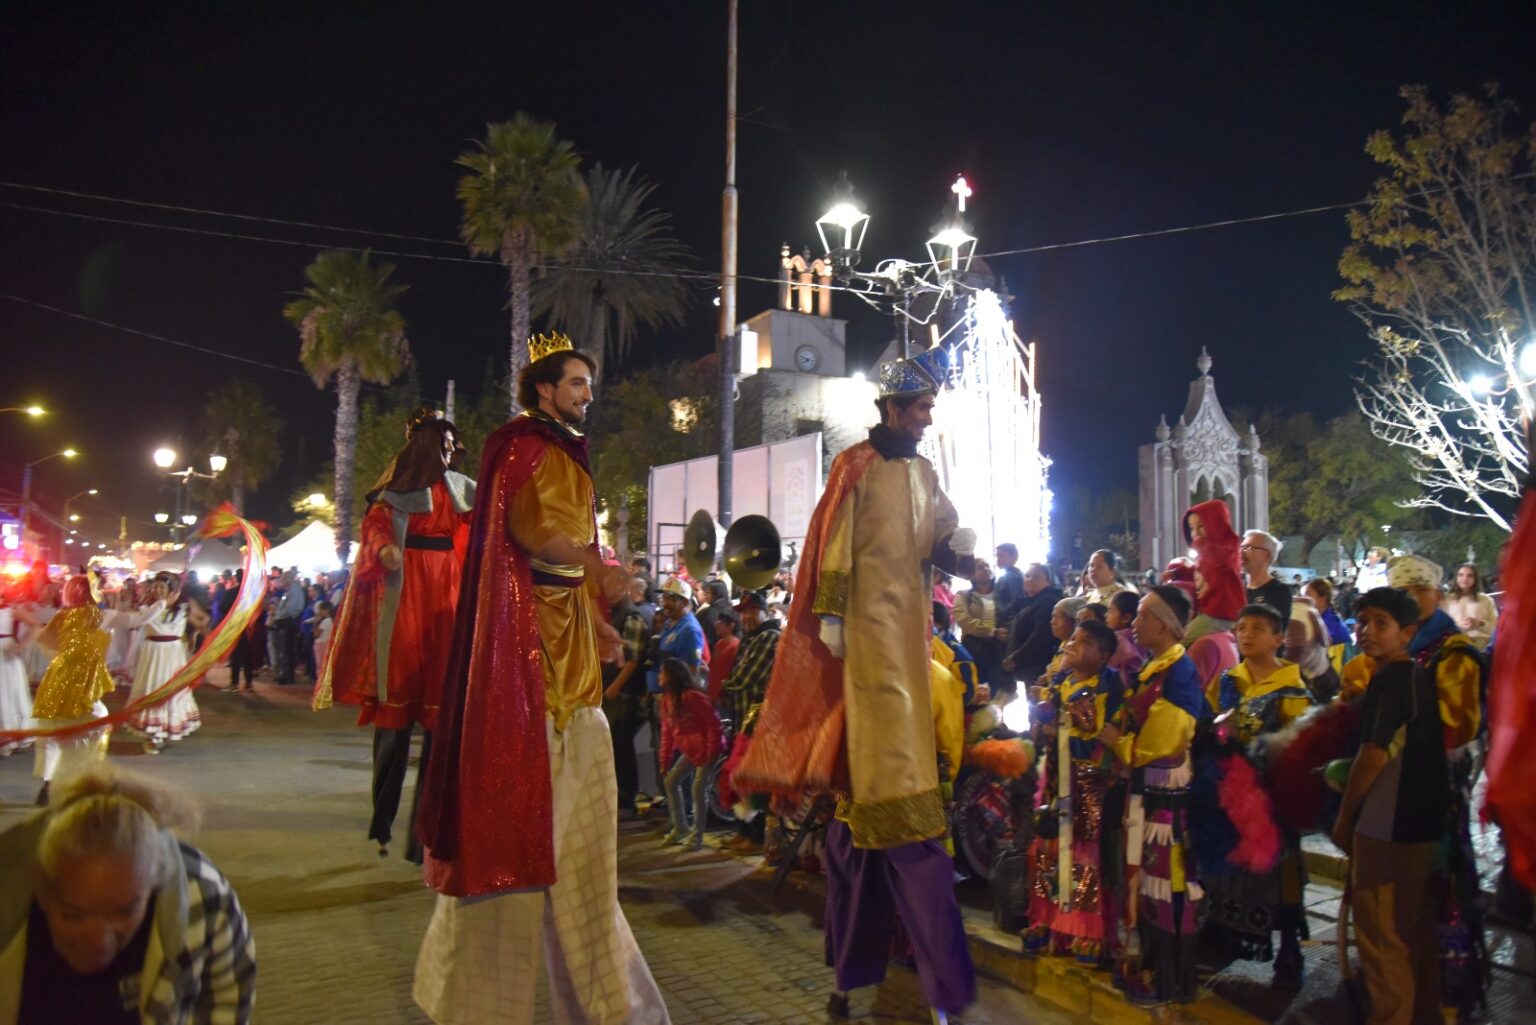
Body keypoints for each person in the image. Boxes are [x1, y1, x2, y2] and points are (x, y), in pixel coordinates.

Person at [412, 334, 669, 1025]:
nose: (588, 393)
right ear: (544, 389)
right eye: (577, 382)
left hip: (566, 675)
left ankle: (592, 1005)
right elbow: (535, 535)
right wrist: (597, 566)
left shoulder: (552, 451)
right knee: (523, 856)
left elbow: (549, 568)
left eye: (589, 382)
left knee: (577, 867)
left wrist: (598, 621)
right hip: (540, 693)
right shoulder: (531, 448)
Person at [735, 351, 978, 1024]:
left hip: (909, 640)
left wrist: (964, 555)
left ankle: (887, 984)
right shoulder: (855, 466)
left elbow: (943, 528)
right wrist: (835, 617)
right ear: (894, 409)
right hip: (866, 646)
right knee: (873, 813)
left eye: (930, 409)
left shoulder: (923, 471)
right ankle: (881, 982)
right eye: (920, 409)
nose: (927, 420)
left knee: (873, 831)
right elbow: (832, 547)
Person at [316, 409, 475, 859]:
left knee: (443, 725)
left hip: (447, 597)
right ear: (423, 443)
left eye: (452, 445)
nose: (450, 452)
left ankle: (423, 834)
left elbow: (482, 528)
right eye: (443, 444)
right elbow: (376, 525)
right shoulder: (396, 490)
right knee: (396, 716)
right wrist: (384, 547)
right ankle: (382, 820)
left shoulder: (461, 489)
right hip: (405, 596)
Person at [0, 762, 256, 1023]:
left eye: (126, 910)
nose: (100, 942)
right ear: (43, 893)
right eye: (74, 914)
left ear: (154, 886)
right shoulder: (9, 895)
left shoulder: (203, 898)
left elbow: (228, 996)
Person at [1331, 587, 1448, 1025]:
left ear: (1408, 632)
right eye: (1362, 622)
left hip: (1387, 827)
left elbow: (1373, 757)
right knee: (1411, 934)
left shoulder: (1393, 678)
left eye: (1381, 623)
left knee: (1382, 941)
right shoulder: (1415, 675)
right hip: (1418, 825)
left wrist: (1345, 819)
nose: (1367, 632)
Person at [1097, 585, 1206, 1007]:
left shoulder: (1178, 672)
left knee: (1169, 883)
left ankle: (1171, 978)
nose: (1134, 623)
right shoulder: (1156, 667)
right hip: (1149, 792)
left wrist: (1120, 745)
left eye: (1142, 616)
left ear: (1164, 624)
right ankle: (1152, 969)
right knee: (1147, 882)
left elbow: (1167, 741)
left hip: (1168, 800)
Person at [1205, 604, 1312, 979]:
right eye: (1242, 627)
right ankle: (1226, 936)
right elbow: (1213, 722)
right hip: (1233, 788)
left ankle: (1288, 945)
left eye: (1258, 628)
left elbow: (1296, 742)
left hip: (1272, 790)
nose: (1247, 635)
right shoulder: (1229, 680)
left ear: (1279, 639)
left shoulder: (1292, 686)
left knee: (1279, 867)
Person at [1025, 619, 1125, 964]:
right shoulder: (1061, 684)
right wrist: (1041, 727)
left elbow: (1106, 738)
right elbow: (1045, 725)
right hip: (1055, 777)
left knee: (1083, 854)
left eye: (1083, 641)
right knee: (1048, 847)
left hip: (1088, 783)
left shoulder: (1109, 688)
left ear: (1102, 655)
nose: (1072, 644)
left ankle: (1086, 931)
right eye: (1074, 639)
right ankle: (1048, 919)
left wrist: (1061, 734)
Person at [27, 576, 113, 804]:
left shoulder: (61, 615)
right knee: (94, 723)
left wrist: (65, 655)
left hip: (58, 676)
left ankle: (49, 783)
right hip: (83, 679)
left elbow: (45, 641)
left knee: (53, 730)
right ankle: (82, 780)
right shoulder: (98, 616)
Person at [110, 574, 202, 753]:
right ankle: (153, 735)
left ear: (172, 590)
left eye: (163, 587)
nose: (158, 590)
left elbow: (202, 621)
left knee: (172, 690)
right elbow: (131, 620)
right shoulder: (146, 608)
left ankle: (166, 729)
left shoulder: (184, 608)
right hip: (153, 653)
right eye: (156, 587)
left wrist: (194, 635)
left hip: (174, 652)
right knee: (152, 689)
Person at [657, 658, 725, 850]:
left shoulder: (692, 697)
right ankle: (680, 829)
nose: (659, 676)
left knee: (698, 789)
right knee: (671, 782)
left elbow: (713, 725)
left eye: (663, 672)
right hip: (691, 750)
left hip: (707, 749)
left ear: (673, 675)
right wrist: (665, 760)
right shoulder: (667, 701)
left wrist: (712, 752)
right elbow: (667, 733)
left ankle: (697, 837)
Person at [603, 576, 655, 816]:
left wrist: (615, 686)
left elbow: (633, 658)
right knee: (614, 746)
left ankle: (627, 797)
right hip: (614, 690)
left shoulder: (631, 616)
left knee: (621, 745)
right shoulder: (613, 612)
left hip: (625, 694)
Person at [1003, 562, 1065, 694]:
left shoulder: (1046, 601)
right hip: (1030, 665)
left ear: (1048, 581)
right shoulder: (1033, 601)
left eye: (1036, 577)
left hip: (1038, 665)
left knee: (1040, 707)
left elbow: (1040, 635)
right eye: (1027, 576)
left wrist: (1016, 657)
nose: (1030, 580)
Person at [953, 559, 1005, 692]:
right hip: (975, 648)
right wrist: (991, 631)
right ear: (971, 574)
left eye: (987, 565)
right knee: (978, 689)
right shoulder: (964, 595)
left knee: (998, 690)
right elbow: (964, 620)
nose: (986, 569)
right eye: (980, 567)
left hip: (998, 648)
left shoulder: (1001, 594)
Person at [0, 586, 34, 758]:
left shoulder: (11, 610)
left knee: (7, 694)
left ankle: (9, 736)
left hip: (5, 652)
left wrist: (21, 646)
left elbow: (35, 626)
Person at [1443, 562, 1497, 649]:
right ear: (1456, 577)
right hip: (1453, 646)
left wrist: (1479, 623)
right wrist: (1457, 625)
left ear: (1475, 578)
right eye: (1461, 575)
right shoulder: (1446, 600)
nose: (1465, 578)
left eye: (1470, 575)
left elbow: (1496, 628)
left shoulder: (1486, 600)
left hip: (1480, 647)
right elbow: (1439, 626)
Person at [1240, 531, 1292, 623]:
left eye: (1248, 547)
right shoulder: (1238, 590)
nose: (1241, 552)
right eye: (1241, 547)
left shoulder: (1279, 592)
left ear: (1266, 555)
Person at [267, 568, 304, 684]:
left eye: (283, 578)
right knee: (283, 650)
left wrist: (278, 616)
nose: (281, 581)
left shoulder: (294, 591)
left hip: (288, 622)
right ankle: (284, 673)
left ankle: (288, 676)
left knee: (287, 650)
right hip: (285, 622)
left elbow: (290, 609)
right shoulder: (289, 591)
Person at [705, 608, 740, 706]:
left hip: (723, 697)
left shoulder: (735, 645)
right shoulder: (719, 643)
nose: (716, 624)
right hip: (712, 694)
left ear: (731, 626)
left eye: (721, 622)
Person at [993, 542, 1025, 629]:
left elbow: (1017, 600)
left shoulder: (1012, 576)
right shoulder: (1017, 574)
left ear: (1014, 558)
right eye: (997, 557)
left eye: (1002, 556)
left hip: (1008, 622)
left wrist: (1004, 615)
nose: (998, 559)